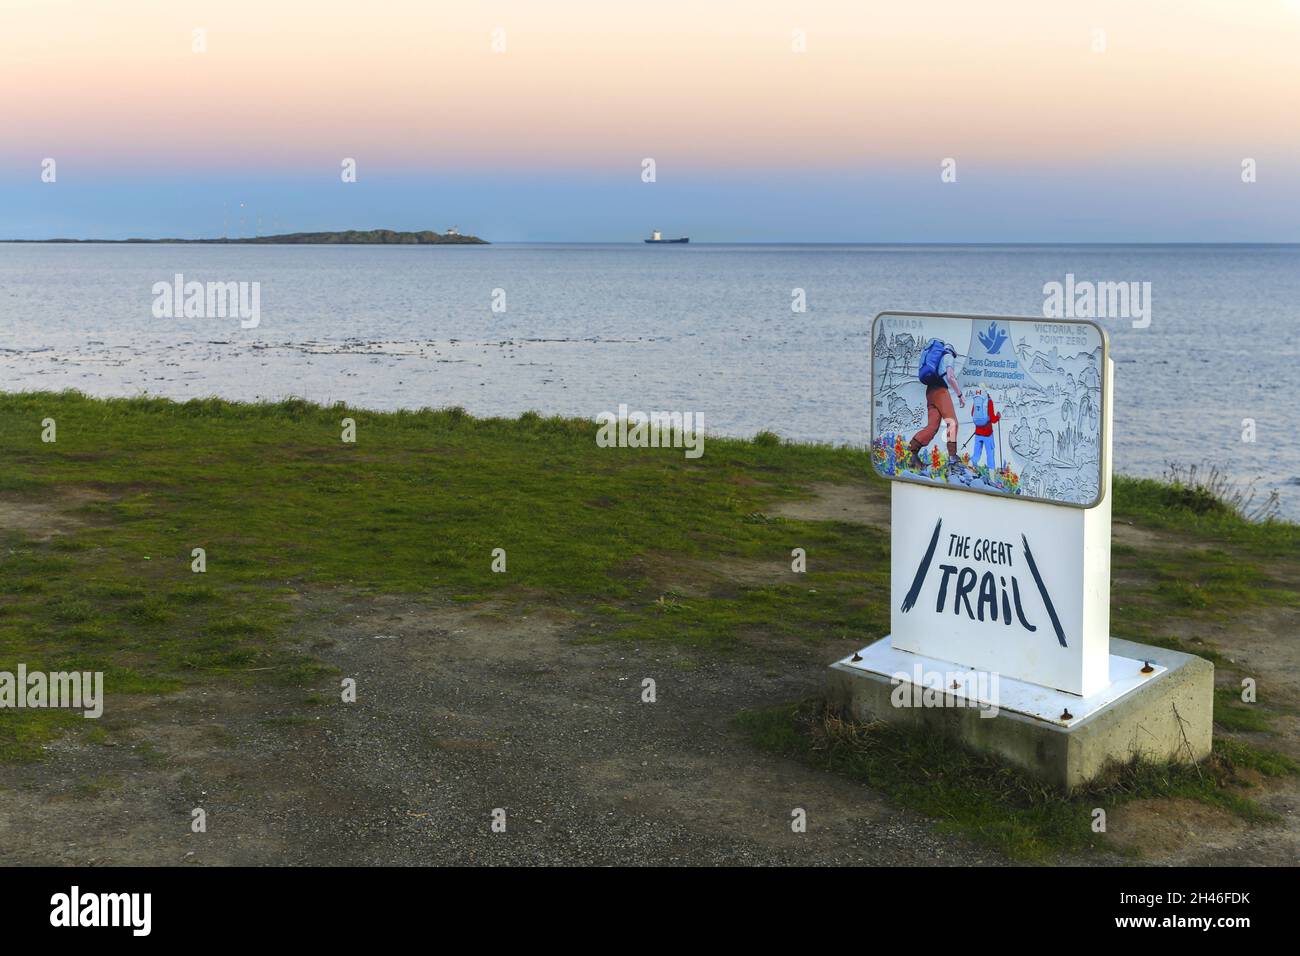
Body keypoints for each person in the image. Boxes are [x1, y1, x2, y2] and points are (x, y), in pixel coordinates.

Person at [907, 339, 965, 476]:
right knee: (952, 423)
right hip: (940, 391)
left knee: (931, 428)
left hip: (930, 392)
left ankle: (912, 454)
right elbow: (950, 377)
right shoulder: (948, 356)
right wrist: (960, 395)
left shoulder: (936, 358)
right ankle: (953, 459)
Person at [969, 383, 1000, 472]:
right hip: (988, 434)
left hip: (978, 433)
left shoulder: (977, 400)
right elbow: (993, 419)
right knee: (990, 454)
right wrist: (998, 416)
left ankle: (969, 468)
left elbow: (972, 414)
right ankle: (992, 477)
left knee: (976, 454)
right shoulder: (989, 401)